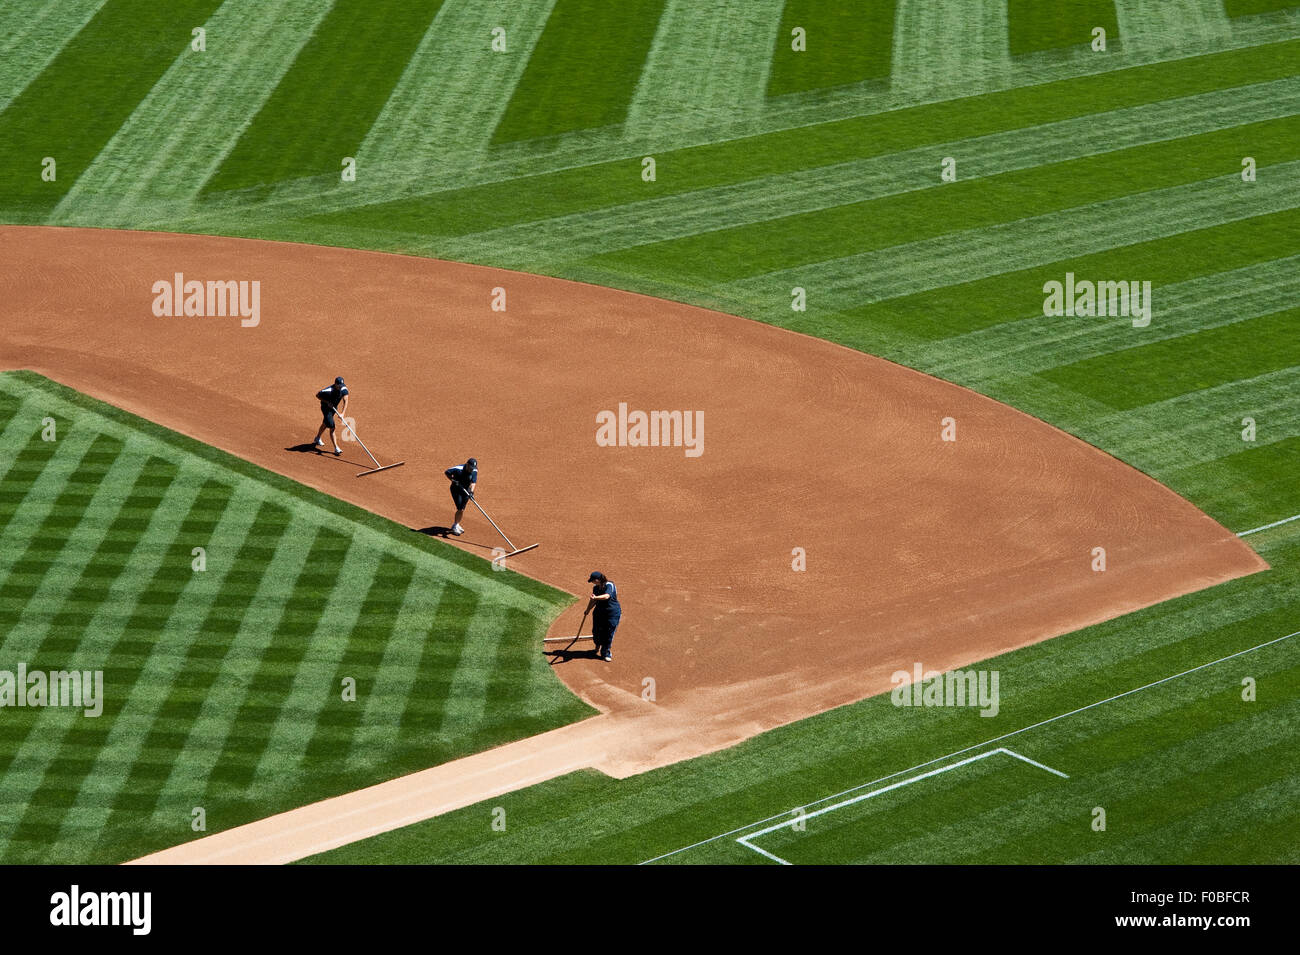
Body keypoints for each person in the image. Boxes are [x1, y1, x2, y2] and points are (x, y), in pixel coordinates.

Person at [584, 571, 621, 662]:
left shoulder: (609, 585)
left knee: (608, 633)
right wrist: (588, 610)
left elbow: (606, 596)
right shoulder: (595, 588)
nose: (592, 582)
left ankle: (606, 653)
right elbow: (593, 601)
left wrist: (595, 598)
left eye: (593, 581)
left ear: (597, 580)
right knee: (596, 631)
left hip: (612, 614)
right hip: (599, 613)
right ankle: (597, 645)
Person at [313, 376, 348, 454]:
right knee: (332, 427)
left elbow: (346, 400)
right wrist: (327, 402)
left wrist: (342, 413)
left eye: (341, 385)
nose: (341, 387)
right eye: (339, 386)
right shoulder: (328, 390)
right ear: (335, 384)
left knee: (325, 423)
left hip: (333, 408)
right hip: (326, 409)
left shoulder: (344, 388)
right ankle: (336, 448)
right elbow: (317, 395)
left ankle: (317, 438)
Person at [444, 457, 477, 536]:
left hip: (465, 490)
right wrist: (453, 480)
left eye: (473, 468)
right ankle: (455, 526)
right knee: (460, 508)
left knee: (462, 509)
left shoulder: (475, 470)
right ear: (467, 465)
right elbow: (447, 472)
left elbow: (473, 482)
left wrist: (471, 492)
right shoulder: (458, 469)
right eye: (471, 468)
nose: (472, 470)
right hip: (456, 490)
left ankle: (457, 524)